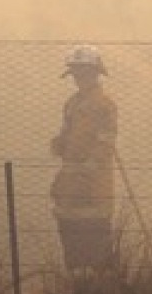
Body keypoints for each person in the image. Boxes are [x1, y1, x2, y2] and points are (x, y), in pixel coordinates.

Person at [49, 44, 118, 276]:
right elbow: (66, 135)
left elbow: (106, 142)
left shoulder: (105, 105)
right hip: (70, 188)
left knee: (96, 243)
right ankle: (77, 293)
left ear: (95, 73)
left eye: (84, 72)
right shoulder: (71, 104)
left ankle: (101, 293)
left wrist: (90, 165)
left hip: (93, 188)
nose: (79, 78)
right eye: (76, 73)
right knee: (72, 241)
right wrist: (58, 143)